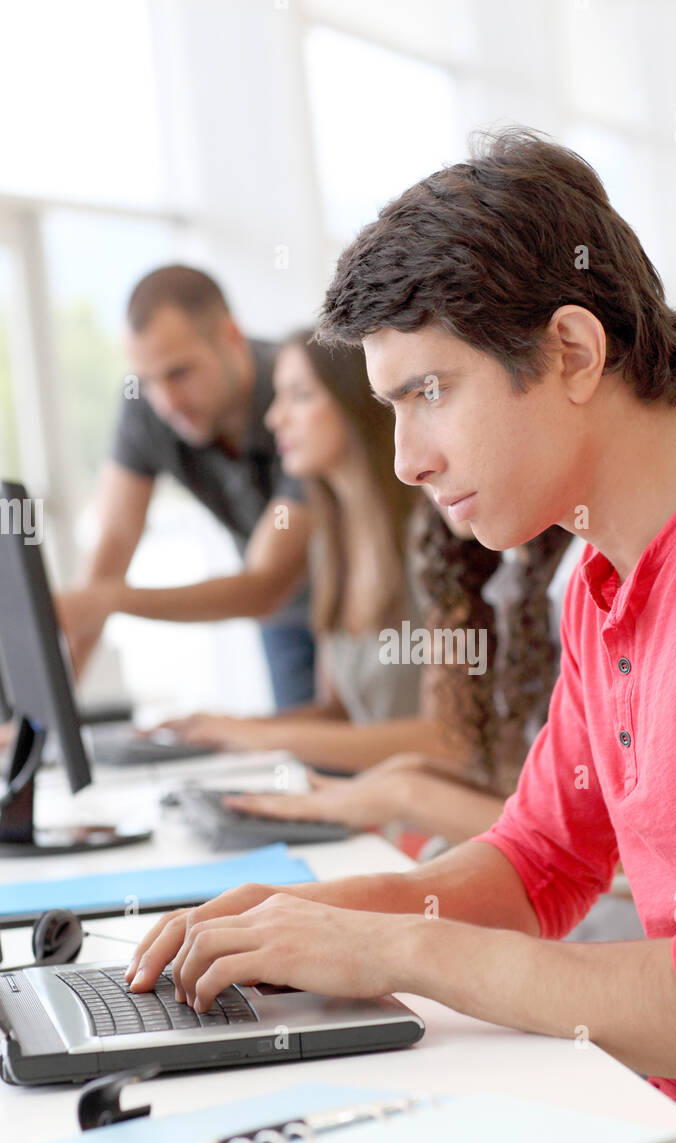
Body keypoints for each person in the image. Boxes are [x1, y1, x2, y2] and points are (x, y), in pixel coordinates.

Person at [127, 131, 676, 1143]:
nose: (404, 459)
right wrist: (302, 921)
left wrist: (403, 946)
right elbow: (539, 863)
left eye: (428, 391)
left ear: (570, 351)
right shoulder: (599, 580)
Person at [152, 331, 455, 771]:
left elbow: (443, 738)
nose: (275, 419)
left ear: (358, 400)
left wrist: (258, 736)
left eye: (300, 395)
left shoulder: (434, 539)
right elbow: (340, 714)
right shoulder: (332, 543)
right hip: (381, 810)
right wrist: (226, 729)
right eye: (277, 397)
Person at [221, 493, 580, 846]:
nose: (408, 471)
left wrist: (404, 794)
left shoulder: (575, 578)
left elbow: (599, 847)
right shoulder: (501, 575)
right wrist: (401, 779)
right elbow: (524, 788)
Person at [55, 266, 315, 708]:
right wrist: (46, 714)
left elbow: (265, 584)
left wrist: (108, 600)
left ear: (230, 336)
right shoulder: (146, 405)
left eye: (179, 373)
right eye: (149, 379)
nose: (166, 402)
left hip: (363, 603)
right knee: (310, 757)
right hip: (282, 615)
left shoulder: (299, 389)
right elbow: (112, 547)